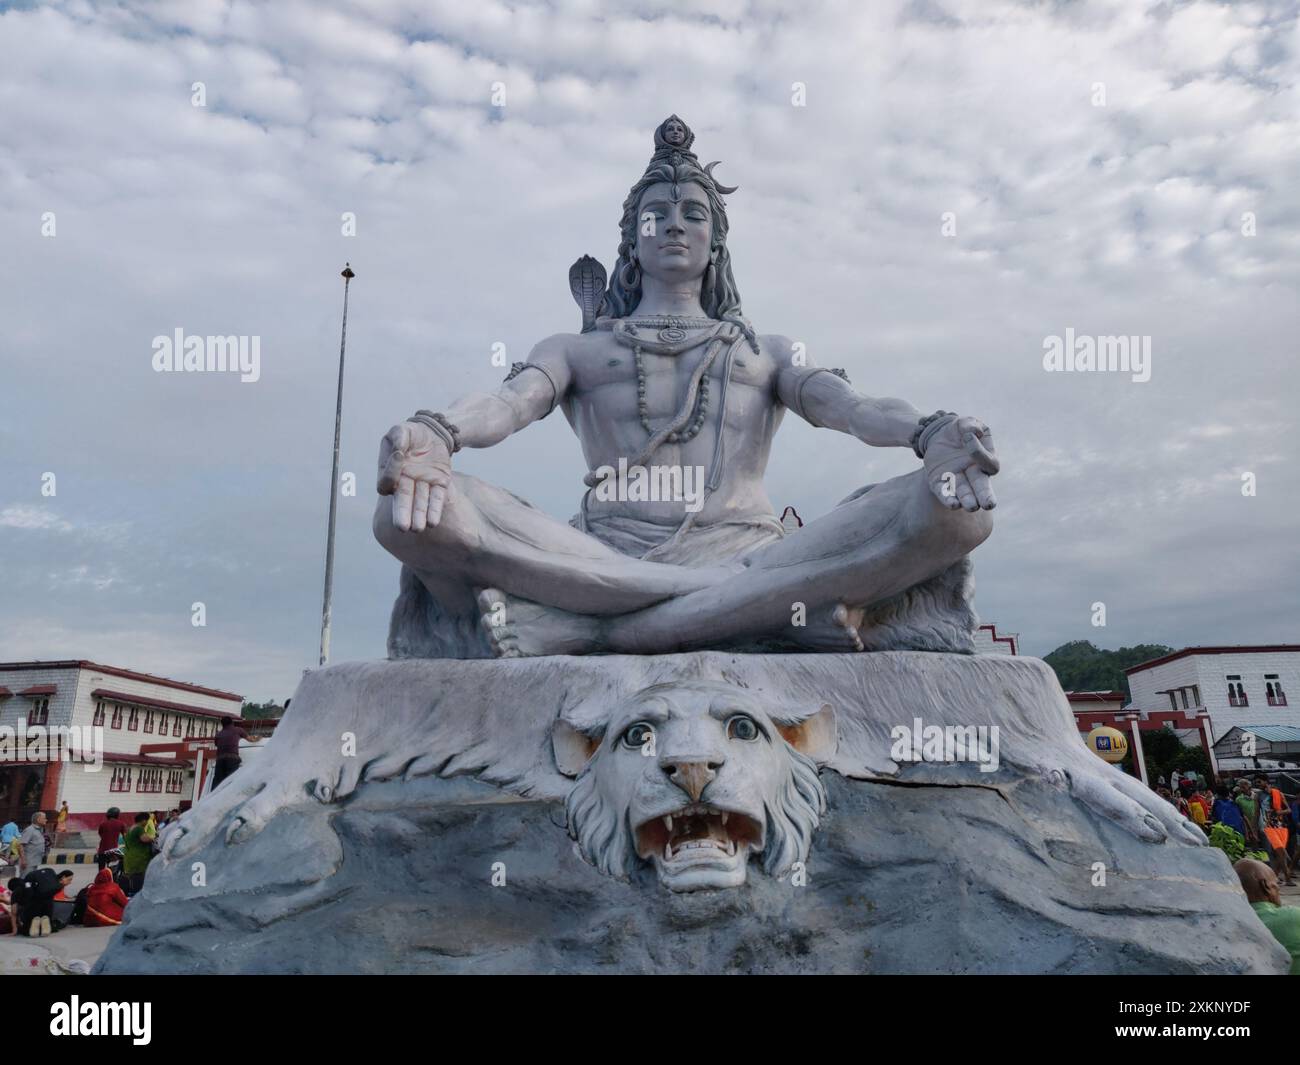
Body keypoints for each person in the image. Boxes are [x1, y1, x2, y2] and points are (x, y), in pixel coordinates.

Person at [372, 115, 999, 662]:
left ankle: (593, 629)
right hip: (602, 558)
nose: (675, 226)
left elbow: (857, 411)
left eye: (693, 214)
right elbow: (507, 406)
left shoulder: (766, 351)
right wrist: (437, 434)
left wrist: (930, 432)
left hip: (748, 551)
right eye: (657, 215)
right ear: (633, 240)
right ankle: (760, 614)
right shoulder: (577, 348)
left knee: (956, 512)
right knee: (409, 516)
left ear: (714, 238)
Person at [1236, 858, 1300, 973]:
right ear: (1265, 886)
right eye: (1275, 883)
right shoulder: (1292, 916)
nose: (1278, 888)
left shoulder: (1232, 924)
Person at [211, 716, 256, 790]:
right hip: (232, 759)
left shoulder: (218, 734)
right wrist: (258, 738)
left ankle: (212, 798)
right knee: (231, 781)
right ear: (232, 722)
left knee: (217, 782)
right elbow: (251, 739)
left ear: (222, 724)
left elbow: (216, 744)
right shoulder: (238, 730)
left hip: (220, 760)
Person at [120, 812, 156, 896]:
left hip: (129, 857)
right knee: (138, 878)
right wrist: (152, 838)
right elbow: (144, 839)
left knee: (131, 877)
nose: (147, 822)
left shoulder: (131, 828)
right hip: (138, 858)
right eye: (146, 820)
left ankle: (130, 893)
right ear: (143, 820)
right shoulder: (139, 828)